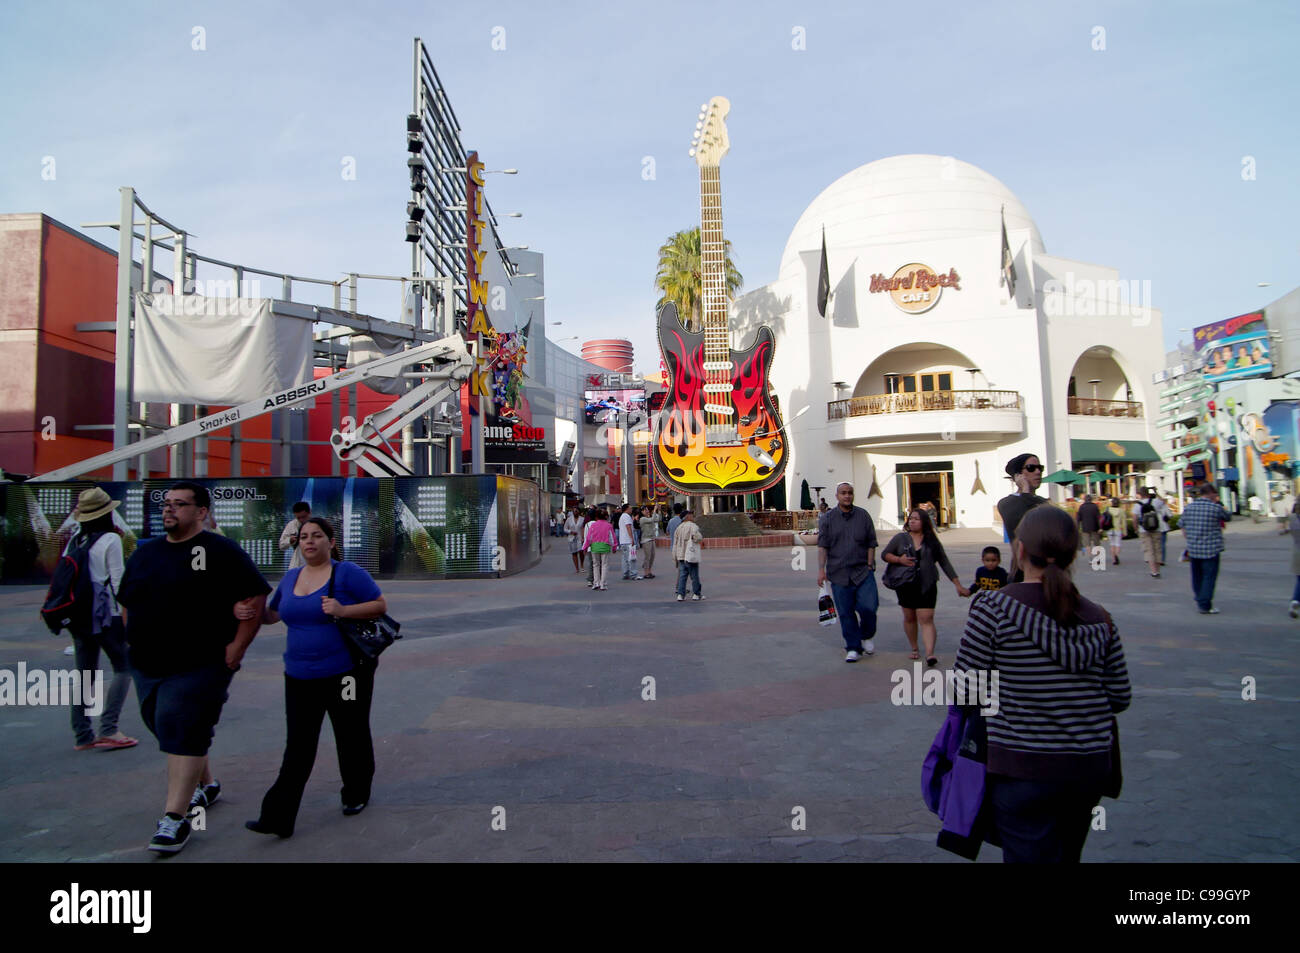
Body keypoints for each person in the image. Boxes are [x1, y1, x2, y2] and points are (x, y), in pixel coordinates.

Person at [953, 505, 1130, 863]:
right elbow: (1119, 695)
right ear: (1073, 553)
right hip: (1087, 770)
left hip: (1021, 766)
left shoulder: (993, 607)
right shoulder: (1100, 618)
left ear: (1018, 550)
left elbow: (966, 690)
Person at [116, 482, 270, 853]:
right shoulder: (145, 554)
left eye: (180, 505)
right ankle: (208, 785)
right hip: (148, 663)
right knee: (164, 725)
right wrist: (132, 638)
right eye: (167, 504)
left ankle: (174, 818)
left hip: (202, 663)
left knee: (180, 725)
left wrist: (236, 647)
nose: (169, 510)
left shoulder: (220, 551)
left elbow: (255, 594)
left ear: (201, 512)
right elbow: (126, 601)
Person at [238, 517, 386, 837]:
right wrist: (248, 611)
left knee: (350, 734)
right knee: (299, 746)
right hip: (299, 675)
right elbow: (273, 614)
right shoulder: (291, 578)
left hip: (346, 673)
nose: (309, 542)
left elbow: (378, 605)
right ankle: (278, 816)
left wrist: (343, 610)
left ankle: (356, 793)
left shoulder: (347, 573)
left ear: (331, 542)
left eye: (317, 536)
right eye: (304, 536)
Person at [64, 487, 137, 752]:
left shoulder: (75, 539)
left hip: (78, 616)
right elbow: (118, 581)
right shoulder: (110, 539)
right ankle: (109, 727)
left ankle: (82, 734)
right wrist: (128, 617)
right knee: (124, 666)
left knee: (84, 672)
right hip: (107, 616)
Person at [881, 507, 971, 666]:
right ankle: (914, 647)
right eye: (911, 518)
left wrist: (957, 584)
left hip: (927, 583)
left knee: (926, 618)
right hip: (905, 584)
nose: (913, 521)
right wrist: (899, 560)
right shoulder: (900, 538)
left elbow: (944, 562)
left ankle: (930, 653)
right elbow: (885, 555)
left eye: (917, 518)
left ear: (924, 522)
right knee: (909, 617)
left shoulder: (931, 540)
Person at [817, 482, 879, 663]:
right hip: (838, 573)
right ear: (837, 496)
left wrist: (869, 564)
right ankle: (853, 647)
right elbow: (823, 546)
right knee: (845, 612)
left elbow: (871, 542)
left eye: (850, 493)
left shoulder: (863, 516)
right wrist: (821, 570)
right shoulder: (827, 519)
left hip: (862, 572)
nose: (847, 496)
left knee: (869, 607)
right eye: (843, 493)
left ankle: (867, 635)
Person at [996, 453, 1046, 582]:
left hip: (1047, 571)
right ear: (1018, 476)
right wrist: (1025, 491)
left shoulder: (1042, 501)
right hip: (1023, 573)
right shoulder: (1007, 503)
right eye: (1031, 468)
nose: (1037, 472)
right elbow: (1027, 526)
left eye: (1040, 468)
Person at [1181, 483, 1230, 614]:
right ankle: (1205, 604)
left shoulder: (1189, 507)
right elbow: (1227, 516)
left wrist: (1188, 536)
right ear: (1211, 494)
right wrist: (1219, 503)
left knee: (1197, 576)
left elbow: (1182, 524)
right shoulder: (1215, 507)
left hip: (1193, 548)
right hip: (1211, 549)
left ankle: (1199, 598)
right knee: (1209, 577)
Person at [672, 510, 704, 601]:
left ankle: (680, 595)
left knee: (682, 576)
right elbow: (698, 538)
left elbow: (675, 543)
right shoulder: (693, 526)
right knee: (694, 575)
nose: (693, 516)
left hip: (681, 555)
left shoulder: (678, 528)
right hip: (690, 555)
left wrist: (675, 557)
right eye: (691, 514)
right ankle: (696, 594)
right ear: (687, 516)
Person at [583, 508, 618, 591]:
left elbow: (589, 538)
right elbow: (612, 538)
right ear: (606, 517)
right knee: (604, 565)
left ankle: (596, 583)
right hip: (605, 547)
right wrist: (614, 547)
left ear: (596, 517)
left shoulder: (593, 525)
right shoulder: (609, 525)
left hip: (594, 547)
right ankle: (603, 584)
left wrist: (585, 547)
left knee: (595, 565)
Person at [1133, 491, 1163, 578]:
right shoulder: (1155, 501)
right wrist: (1156, 492)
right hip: (1156, 528)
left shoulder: (1137, 505)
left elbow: (1134, 519)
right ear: (1148, 494)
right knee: (1157, 549)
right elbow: (1163, 501)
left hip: (1144, 530)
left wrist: (1136, 530)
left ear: (1140, 495)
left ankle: (1153, 571)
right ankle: (1158, 570)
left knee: (1149, 550)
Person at [279, 502, 311, 571]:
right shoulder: (292, 525)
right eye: (298, 518)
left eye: (304, 517)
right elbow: (281, 545)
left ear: (309, 513)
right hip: (297, 563)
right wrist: (289, 541)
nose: (301, 520)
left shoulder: (317, 524)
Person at [617, 504, 640, 581]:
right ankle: (633, 574)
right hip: (627, 540)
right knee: (631, 558)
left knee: (625, 558)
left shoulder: (622, 516)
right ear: (626, 509)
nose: (631, 510)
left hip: (623, 541)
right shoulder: (626, 516)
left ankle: (625, 573)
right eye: (630, 508)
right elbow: (628, 527)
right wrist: (632, 539)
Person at [638, 506, 659, 579]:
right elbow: (652, 520)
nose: (647, 511)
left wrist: (657, 510)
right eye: (645, 510)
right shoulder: (642, 519)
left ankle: (649, 571)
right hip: (646, 539)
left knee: (652, 556)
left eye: (647, 509)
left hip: (652, 539)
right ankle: (646, 572)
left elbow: (657, 519)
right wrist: (655, 510)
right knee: (648, 556)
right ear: (642, 512)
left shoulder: (648, 518)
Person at [1288, 499, 1300, 619]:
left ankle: (1295, 601)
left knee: (1299, 579)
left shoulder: (1292, 518)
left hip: (1297, 552)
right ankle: (1295, 600)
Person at [1105, 497, 1126, 566]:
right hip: (1118, 529)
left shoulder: (1108, 510)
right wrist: (1124, 532)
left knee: (1112, 544)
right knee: (1117, 544)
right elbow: (1123, 522)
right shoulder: (1121, 511)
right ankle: (1116, 555)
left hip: (1110, 529)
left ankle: (1113, 559)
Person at [565, 508, 585, 574]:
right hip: (572, 538)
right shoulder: (569, 519)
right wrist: (570, 532)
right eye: (574, 511)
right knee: (574, 553)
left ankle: (582, 565)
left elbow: (583, 528)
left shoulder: (582, 519)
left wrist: (583, 537)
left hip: (580, 538)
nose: (575, 512)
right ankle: (577, 568)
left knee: (581, 552)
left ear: (579, 511)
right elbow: (565, 528)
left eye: (576, 511)